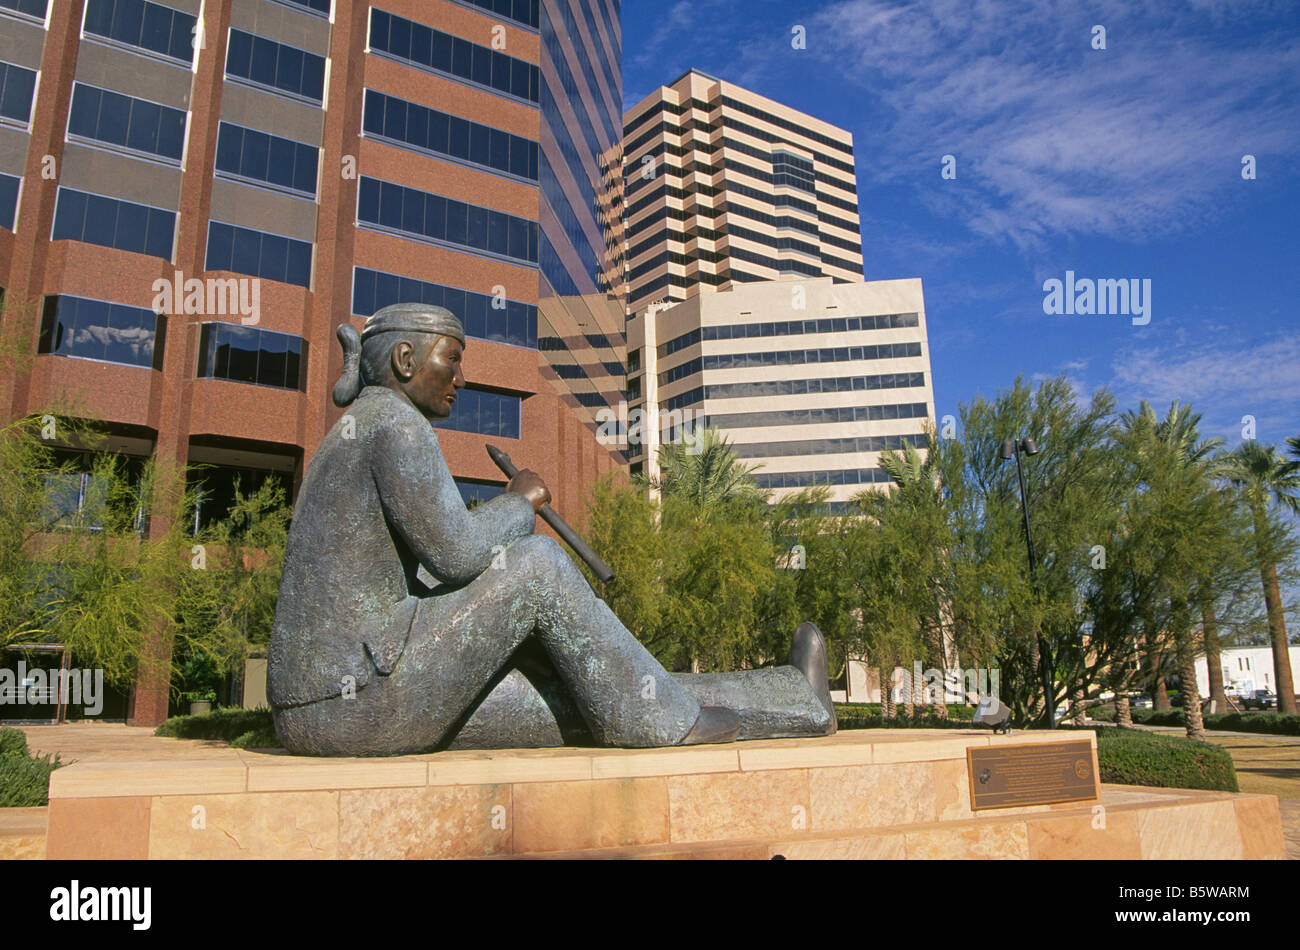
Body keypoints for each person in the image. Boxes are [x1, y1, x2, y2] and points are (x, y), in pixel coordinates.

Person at [268, 302, 836, 756]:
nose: (461, 379)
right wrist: (519, 504)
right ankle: (659, 723)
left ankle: (796, 698)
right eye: (452, 359)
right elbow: (458, 554)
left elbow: (428, 577)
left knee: (586, 693)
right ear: (406, 359)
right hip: (361, 697)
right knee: (538, 565)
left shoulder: (356, 430)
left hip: (327, 712)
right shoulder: (396, 425)